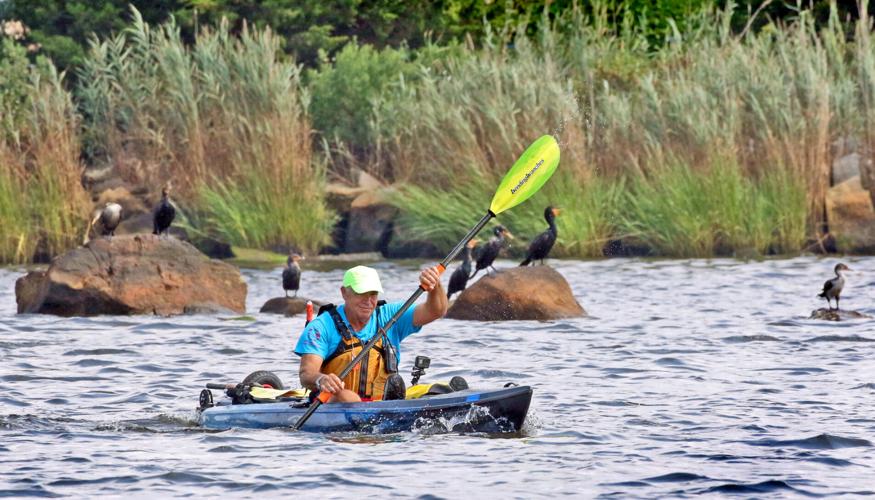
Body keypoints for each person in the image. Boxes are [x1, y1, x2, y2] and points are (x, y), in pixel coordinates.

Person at [294, 265, 447, 403]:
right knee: (348, 398)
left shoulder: (390, 315)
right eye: (361, 293)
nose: (368, 301)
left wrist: (435, 286)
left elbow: (435, 311)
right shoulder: (321, 327)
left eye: (373, 294)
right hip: (333, 403)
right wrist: (322, 379)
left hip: (384, 406)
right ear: (344, 293)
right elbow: (307, 374)